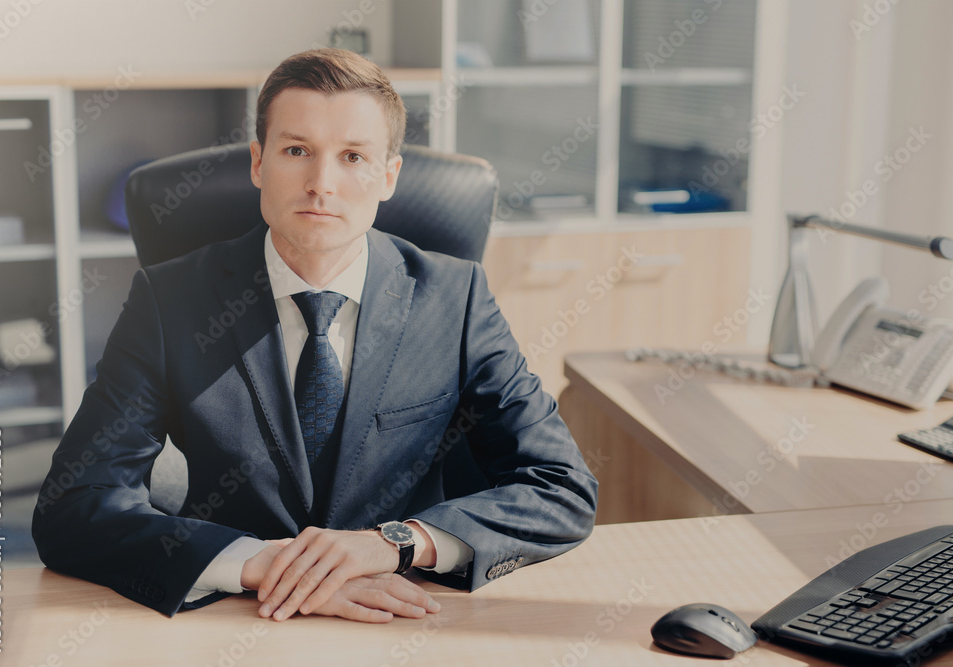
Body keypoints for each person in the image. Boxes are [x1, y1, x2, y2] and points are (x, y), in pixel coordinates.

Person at [32, 48, 597, 624]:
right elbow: (73, 507)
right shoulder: (169, 300)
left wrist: (396, 542)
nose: (320, 183)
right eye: (296, 150)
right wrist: (266, 565)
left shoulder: (457, 298)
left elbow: (562, 488)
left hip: (408, 610)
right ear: (258, 163)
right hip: (233, 614)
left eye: (353, 156)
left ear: (388, 176)